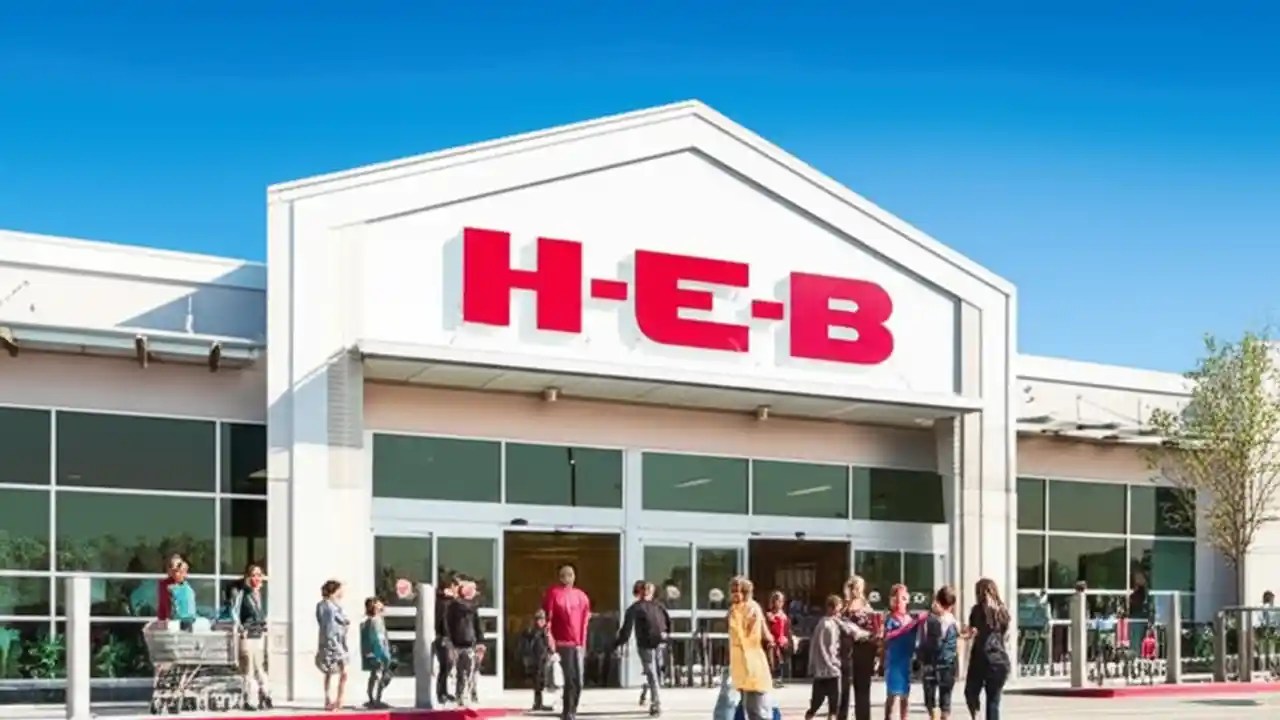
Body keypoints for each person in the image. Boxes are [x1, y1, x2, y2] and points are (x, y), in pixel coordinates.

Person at [807, 595, 869, 720]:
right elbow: (822, 647)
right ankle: (809, 715)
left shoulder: (839, 622)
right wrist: (827, 663)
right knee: (817, 702)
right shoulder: (825, 625)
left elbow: (853, 630)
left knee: (834, 704)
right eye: (837, 608)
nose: (839, 612)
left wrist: (867, 634)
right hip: (825, 669)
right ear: (830, 608)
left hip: (835, 670)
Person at [542, 563, 591, 720]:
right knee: (569, 679)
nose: (568, 578)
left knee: (578, 681)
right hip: (562, 643)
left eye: (570, 575)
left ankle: (572, 709)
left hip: (578, 644)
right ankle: (568, 711)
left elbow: (585, 621)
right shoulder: (554, 594)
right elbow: (548, 619)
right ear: (560, 577)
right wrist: (550, 641)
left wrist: (583, 643)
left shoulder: (582, 596)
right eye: (564, 575)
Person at [614, 579, 669, 717]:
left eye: (649, 590)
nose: (646, 592)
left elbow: (667, 622)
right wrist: (619, 642)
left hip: (657, 644)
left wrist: (618, 643)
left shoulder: (656, 606)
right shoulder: (641, 608)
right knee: (653, 673)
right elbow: (627, 629)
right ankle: (656, 703)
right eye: (645, 589)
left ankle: (647, 690)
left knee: (654, 673)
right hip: (648, 645)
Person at [962, 578, 1011, 720]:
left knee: (972, 692)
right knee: (993, 701)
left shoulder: (979, 610)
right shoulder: (1001, 610)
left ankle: (976, 715)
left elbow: (976, 630)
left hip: (982, 659)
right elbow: (1004, 632)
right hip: (999, 660)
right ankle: (977, 715)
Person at [727, 575, 773, 720]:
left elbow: (748, 636)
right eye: (732, 591)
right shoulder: (736, 609)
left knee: (756, 710)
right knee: (749, 708)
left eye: (737, 591)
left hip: (752, 664)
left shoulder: (751, 608)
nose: (734, 594)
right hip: (741, 666)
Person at [227, 562, 270, 709]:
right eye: (253, 575)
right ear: (247, 577)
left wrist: (265, 625)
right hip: (247, 634)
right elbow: (234, 612)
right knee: (248, 668)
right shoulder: (241, 593)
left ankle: (265, 695)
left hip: (259, 633)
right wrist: (240, 628)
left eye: (259, 575)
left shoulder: (260, 594)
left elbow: (263, 614)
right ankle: (251, 700)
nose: (256, 578)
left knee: (260, 667)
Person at [882, 585, 927, 720]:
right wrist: (909, 626)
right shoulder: (891, 619)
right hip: (894, 662)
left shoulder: (910, 619)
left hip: (906, 661)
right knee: (893, 695)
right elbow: (888, 636)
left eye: (902, 598)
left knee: (905, 696)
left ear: (907, 599)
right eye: (895, 598)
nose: (898, 602)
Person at [837, 576, 879, 720]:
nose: (856, 590)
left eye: (859, 587)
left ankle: (863, 717)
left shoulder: (867, 606)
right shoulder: (844, 607)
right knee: (844, 687)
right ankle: (841, 716)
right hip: (846, 649)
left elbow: (874, 628)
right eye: (853, 587)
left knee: (862, 687)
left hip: (865, 648)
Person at [917, 586, 960, 720]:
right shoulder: (953, 621)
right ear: (952, 605)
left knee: (930, 699)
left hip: (931, 663)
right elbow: (957, 643)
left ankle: (934, 715)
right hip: (948, 663)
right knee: (945, 699)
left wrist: (920, 659)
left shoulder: (927, 620)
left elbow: (921, 641)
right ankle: (943, 716)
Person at [445, 577, 485, 707]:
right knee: (468, 671)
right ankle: (466, 695)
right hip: (466, 642)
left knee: (461, 672)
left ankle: (461, 695)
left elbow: (448, 625)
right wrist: (480, 641)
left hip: (461, 643)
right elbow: (478, 625)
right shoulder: (470, 607)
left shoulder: (454, 606)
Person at [315, 579, 350, 711]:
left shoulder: (324, 605)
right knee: (343, 672)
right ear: (334, 591)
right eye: (340, 589)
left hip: (330, 642)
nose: (342, 592)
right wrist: (336, 645)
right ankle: (338, 700)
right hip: (334, 643)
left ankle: (329, 699)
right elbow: (330, 628)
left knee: (329, 673)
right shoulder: (330, 607)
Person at [519, 609, 554, 712]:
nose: (541, 622)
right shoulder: (531, 632)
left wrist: (548, 635)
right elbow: (526, 645)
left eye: (542, 619)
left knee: (543, 681)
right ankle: (538, 703)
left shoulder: (545, 631)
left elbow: (550, 645)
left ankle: (540, 702)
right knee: (537, 681)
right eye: (539, 619)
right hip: (536, 658)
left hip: (543, 658)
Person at [360, 597, 393, 709]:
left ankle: (372, 698)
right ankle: (376, 699)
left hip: (374, 653)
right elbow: (378, 639)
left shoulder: (371, 620)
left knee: (375, 675)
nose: (382, 605)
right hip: (378, 653)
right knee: (380, 675)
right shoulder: (376, 621)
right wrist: (383, 654)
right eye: (379, 604)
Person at [434, 576, 459, 705]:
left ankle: (444, 691)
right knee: (445, 666)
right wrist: (446, 636)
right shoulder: (444, 603)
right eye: (456, 587)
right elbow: (444, 621)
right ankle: (441, 693)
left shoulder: (446, 601)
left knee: (447, 666)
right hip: (444, 638)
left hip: (446, 637)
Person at [156, 555, 197, 629]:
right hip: (170, 623)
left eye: (178, 570)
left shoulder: (186, 589)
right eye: (171, 567)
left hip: (183, 622)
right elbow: (162, 605)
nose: (175, 573)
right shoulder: (164, 585)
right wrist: (161, 620)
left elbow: (189, 609)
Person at [765, 591, 792, 688]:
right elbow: (767, 629)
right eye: (778, 601)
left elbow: (787, 630)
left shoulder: (784, 616)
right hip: (772, 640)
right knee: (773, 653)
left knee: (782, 655)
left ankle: (779, 677)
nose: (781, 603)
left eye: (782, 601)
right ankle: (773, 677)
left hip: (782, 641)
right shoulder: (769, 615)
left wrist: (787, 638)